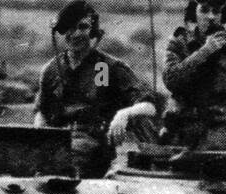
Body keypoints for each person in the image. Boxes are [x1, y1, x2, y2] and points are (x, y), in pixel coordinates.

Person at [34, 1, 158, 177]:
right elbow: (42, 111)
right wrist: (39, 136)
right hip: (57, 142)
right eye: (70, 27)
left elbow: (149, 106)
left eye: (83, 27)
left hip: (94, 145)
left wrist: (123, 115)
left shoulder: (105, 67)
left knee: (65, 169)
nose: (76, 33)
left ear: (92, 31)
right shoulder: (52, 70)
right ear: (62, 31)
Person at [163, 1, 226, 150]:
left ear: (223, 17)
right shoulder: (179, 44)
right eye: (204, 10)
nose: (210, 16)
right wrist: (204, 52)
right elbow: (171, 81)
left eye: (216, 11)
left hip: (218, 133)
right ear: (193, 16)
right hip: (180, 129)